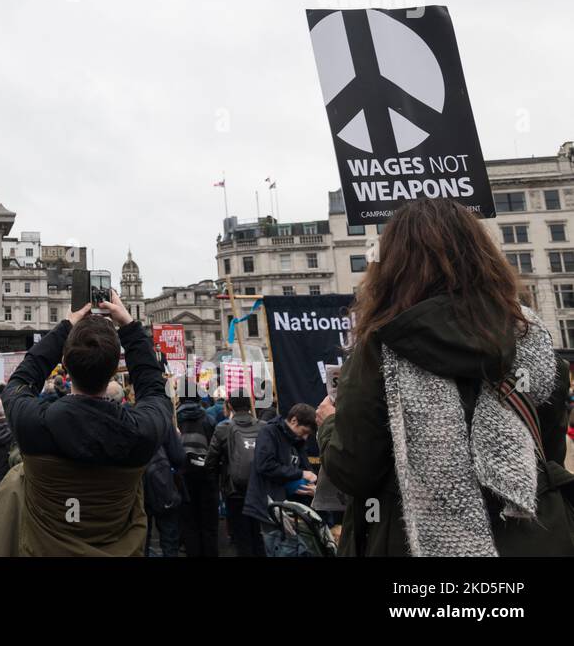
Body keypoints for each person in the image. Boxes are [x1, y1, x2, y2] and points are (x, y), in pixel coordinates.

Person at [318, 198, 572, 556]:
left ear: (392, 266)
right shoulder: (532, 337)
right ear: (483, 255)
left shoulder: (381, 347)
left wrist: (328, 425)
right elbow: (548, 455)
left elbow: (354, 471)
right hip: (535, 536)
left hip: (411, 543)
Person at [0, 290, 170, 556]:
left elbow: (20, 381)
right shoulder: (142, 434)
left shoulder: (33, 426)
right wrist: (129, 326)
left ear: (64, 364)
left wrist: (66, 326)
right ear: (115, 369)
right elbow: (154, 390)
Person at [245, 403, 317, 556]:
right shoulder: (269, 432)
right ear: (294, 421)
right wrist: (301, 474)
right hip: (269, 504)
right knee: (279, 548)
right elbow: (264, 465)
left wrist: (312, 485)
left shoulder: (297, 441)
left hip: (291, 507)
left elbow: (305, 467)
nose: (304, 437)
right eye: (304, 432)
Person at [207, 394, 265, 557]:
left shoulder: (223, 428)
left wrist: (218, 483)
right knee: (260, 535)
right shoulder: (264, 427)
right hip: (260, 490)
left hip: (234, 490)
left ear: (230, 406)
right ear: (250, 405)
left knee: (242, 537)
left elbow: (210, 461)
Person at [175, 394, 220, 557]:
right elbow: (215, 449)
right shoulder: (209, 419)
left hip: (183, 477)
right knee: (209, 525)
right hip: (207, 476)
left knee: (189, 525)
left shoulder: (174, 419)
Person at [142, 421, 186, 557]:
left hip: (141, 486)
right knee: (169, 539)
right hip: (164, 483)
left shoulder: (129, 418)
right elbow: (179, 456)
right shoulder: (164, 422)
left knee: (142, 537)